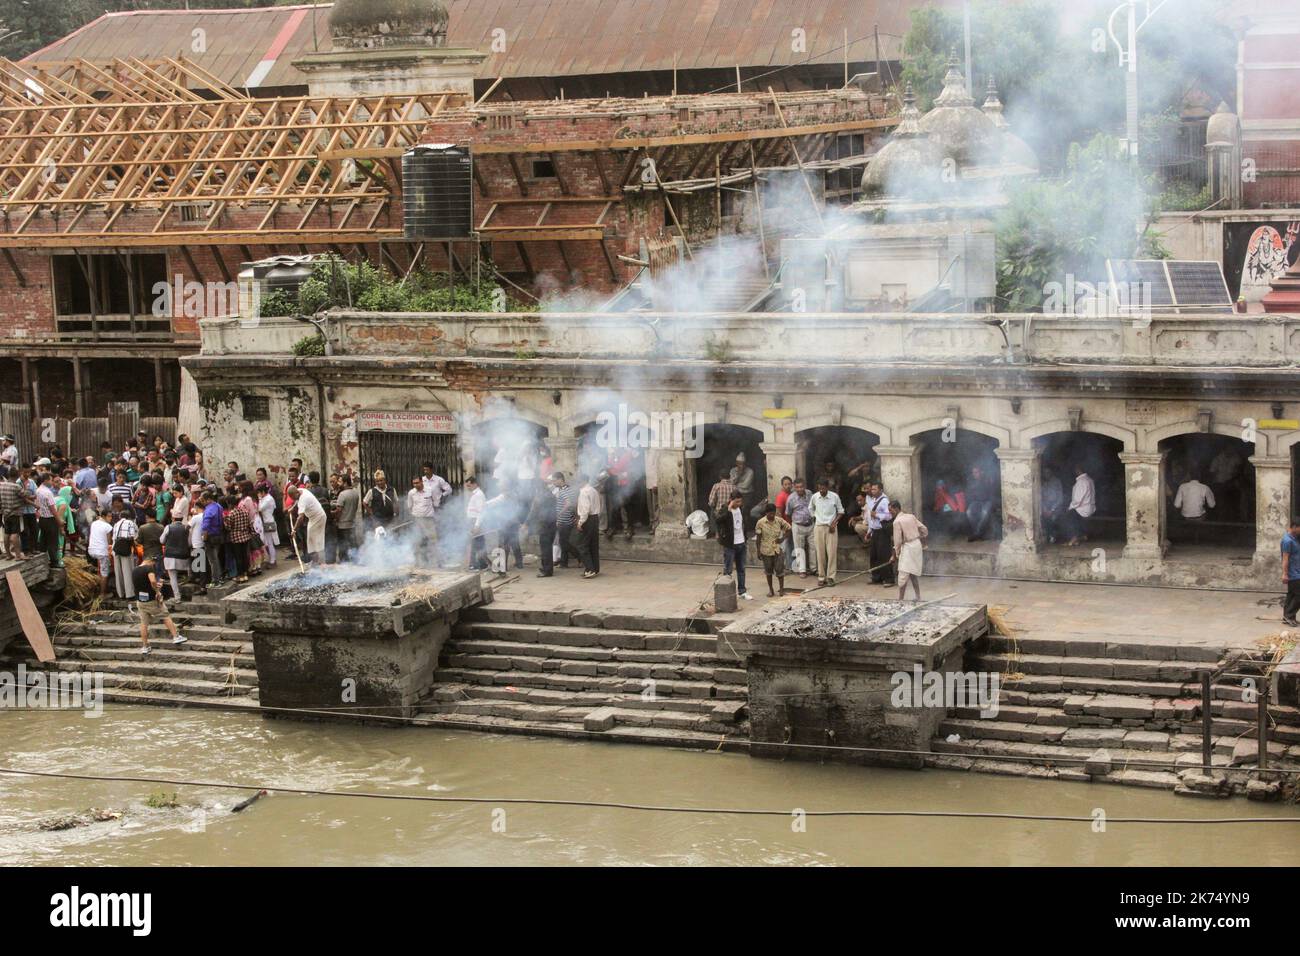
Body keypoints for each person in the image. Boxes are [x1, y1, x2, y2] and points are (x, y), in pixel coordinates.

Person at [132, 558, 188, 655]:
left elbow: (144, 583)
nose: (153, 567)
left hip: (140, 601)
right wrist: (157, 592)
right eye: (153, 564)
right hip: (151, 600)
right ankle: (176, 636)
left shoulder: (135, 570)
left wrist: (153, 585)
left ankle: (145, 646)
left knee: (144, 623)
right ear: (150, 561)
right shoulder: (149, 568)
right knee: (165, 615)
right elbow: (152, 581)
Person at [890, 501, 929, 601]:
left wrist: (895, 555)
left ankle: (900, 599)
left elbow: (897, 542)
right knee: (912, 573)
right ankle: (918, 596)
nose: (890, 513)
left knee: (903, 573)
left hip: (907, 547)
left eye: (891, 510)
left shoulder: (896, 522)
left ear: (896, 508)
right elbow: (924, 529)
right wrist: (921, 539)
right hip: (917, 545)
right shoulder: (911, 516)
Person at [715, 493, 752, 599]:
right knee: (728, 569)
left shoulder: (742, 509)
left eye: (740, 501)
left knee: (741, 569)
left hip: (741, 542)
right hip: (730, 544)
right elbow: (718, 520)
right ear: (731, 500)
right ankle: (726, 593)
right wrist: (729, 509)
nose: (739, 503)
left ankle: (742, 591)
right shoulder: (725, 509)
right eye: (737, 501)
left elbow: (744, 523)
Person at [809, 477, 843, 586]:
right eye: (820, 488)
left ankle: (831, 577)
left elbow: (841, 511)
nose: (822, 490)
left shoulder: (834, 497)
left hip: (831, 528)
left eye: (823, 488)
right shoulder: (815, 497)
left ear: (827, 487)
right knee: (820, 553)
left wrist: (834, 523)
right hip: (818, 527)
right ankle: (821, 577)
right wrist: (815, 517)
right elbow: (810, 508)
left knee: (832, 553)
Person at [755, 503, 790, 597]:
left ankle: (781, 589)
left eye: (773, 513)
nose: (771, 515)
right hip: (765, 549)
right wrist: (758, 551)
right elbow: (758, 538)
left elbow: (789, 528)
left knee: (780, 571)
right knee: (768, 571)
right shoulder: (760, 522)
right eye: (769, 514)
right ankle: (771, 590)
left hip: (777, 549)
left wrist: (782, 538)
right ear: (766, 513)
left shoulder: (779, 521)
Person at [287, 484, 327, 565]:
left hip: (318, 517)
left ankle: (322, 562)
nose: (294, 499)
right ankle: (315, 561)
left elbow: (300, 517)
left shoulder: (303, 499)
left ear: (296, 493)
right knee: (310, 539)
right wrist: (293, 508)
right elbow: (296, 500)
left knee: (317, 540)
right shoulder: (300, 490)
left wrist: (294, 530)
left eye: (293, 497)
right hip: (312, 518)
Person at [864, 481, 894, 586]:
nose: (872, 491)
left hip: (882, 532)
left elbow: (889, 515)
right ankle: (876, 577)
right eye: (872, 489)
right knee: (874, 555)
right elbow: (870, 518)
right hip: (874, 531)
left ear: (881, 490)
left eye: (874, 489)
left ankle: (889, 579)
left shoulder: (885, 501)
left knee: (884, 555)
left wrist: (876, 514)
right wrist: (869, 531)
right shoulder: (872, 500)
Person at [784, 478, 815, 577]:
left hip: (811, 524)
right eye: (797, 487)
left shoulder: (810, 494)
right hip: (798, 525)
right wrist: (792, 525)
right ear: (794, 487)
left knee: (813, 547)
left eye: (801, 487)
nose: (799, 489)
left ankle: (814, 569)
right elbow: (788, 514)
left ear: (805, 486)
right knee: (799, 548)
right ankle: (802, 570)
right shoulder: (791, 498)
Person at [528, 479, 557, 577]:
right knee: (547, 548)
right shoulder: (551, 495)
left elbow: (533, 512)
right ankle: (546, 567)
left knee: (545, 549)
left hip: (544, 525)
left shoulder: (540, 497)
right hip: (552, 524)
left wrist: (526, 523)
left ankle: (547, 571)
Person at [160, 510, 191, 602]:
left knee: (172, 577)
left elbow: (161, 540)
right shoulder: (186, 528)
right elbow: (189, 543)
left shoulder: (168, 527)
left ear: (173, 518)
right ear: (181, 519)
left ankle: (177, 597)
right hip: (183, 556)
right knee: (189, 572)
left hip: (170, 556)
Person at [574, 473, 601, 579]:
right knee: (593, 544)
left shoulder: (584, 492)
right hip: (594, 518)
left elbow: (585, 509)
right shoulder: (593, 490)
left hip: (588, 519)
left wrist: (580, 522)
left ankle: (590, 569)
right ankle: (595, 568)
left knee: (582, 545)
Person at [109, 504, 139, 600]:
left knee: (118, 572)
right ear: (129, 517)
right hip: (126, 549)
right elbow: (133, 537)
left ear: (120, 516)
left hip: (116, 549)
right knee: (127, 571)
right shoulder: (131, 523)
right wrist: (135, 549)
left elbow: (113, 538)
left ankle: (121, 593)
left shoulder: (116, 524)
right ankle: (129, 594)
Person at [33, 473, 61, 568]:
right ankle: (54, 562)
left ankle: (42, 560)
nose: (51, 482)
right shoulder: (48, 492)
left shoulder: (37, 490)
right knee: (53, 542)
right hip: (50, 519)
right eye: (50, 480)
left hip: (42, 519)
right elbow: (53, 509)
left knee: (44, 540)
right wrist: (59, 520)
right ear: (45, 480)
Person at [1064, 465, 1096, 547]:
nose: (1074, 472)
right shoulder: (1089, 480)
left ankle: (1074, 538)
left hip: (1083, 508)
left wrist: (1070, 507)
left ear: (1078, 470)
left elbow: (1078, 499)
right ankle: (1080, 538)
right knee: (1074, 515)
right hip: (1090, 507)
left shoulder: (1081, 481)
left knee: (1069, 515)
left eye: (1075, 470)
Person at [406, 476, 437, 559]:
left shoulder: (430, 490)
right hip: (417, 520)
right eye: (414, 483)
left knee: (432, 540)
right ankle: (419, 560)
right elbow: (409, 506)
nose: (415, 485)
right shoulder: (411, 493)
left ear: (421, 482)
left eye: (417, 483)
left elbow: (436, 503)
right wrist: (414, 518)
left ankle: (434, 559)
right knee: (418, 540)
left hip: (429, 520)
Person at [552, 472, 577, 569]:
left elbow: (568, 503)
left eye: (554, 480)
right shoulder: (568, 489)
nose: (553, 483)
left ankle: (579, 556)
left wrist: (559, 514)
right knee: (563, 542)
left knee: (564, 542)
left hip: (564, 521)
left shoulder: (563, 491)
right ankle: (564, 563)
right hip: (568, 519)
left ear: (560, 479)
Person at [200, 490, 225, 587]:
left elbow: (205, 526)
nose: (202, 502)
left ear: (208, 499)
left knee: (212, 560)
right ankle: (220, 578)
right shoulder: (218, 506)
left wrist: (204, 538)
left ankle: (216, 580)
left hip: (210, 537)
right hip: (219, 534)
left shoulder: (209, 510)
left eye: (203, 500)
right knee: (216, 558)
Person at [86, 509, 113, 598]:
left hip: (91, 550)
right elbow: (109, 542)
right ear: (104, 516)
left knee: (100, 569)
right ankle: (102, 594)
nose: (111, 518)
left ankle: (98, 589)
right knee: (105, 572)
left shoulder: (94, 523)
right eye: (109, 516)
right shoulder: (107, 526)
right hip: (101, 552)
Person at [965, 465, 997, 541]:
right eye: (973, 473)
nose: (974, 474)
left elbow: (992, 492)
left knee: (984, 513)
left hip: (987, 501)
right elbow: (969, 493)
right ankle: (978, 533)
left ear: (981, 472)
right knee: (969, 512)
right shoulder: (971, 481)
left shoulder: (988, 479)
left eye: (976, 472)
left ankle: (977, 533)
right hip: (976, 502)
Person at [0, 467, 25, 559]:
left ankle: (8, 555)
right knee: (15, 534)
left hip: (5, 513)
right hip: (14, 512)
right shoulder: (16, 486)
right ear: (17, 475)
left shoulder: (2, 485)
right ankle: (18, 555)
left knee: (6, 533)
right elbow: (25, 496)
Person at [463, 476, 487, 570]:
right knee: (478, 543)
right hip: (473, 521)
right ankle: (482, 564)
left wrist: (477, 525)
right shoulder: (475, 494)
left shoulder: (478, 495)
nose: (468, 487)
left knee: (476, 543)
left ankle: (476, 564)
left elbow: (481, 512)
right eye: (467, 486)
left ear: (475, 484)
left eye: (469, 485)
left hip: (476, 522)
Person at [1282, 518, 1300, 627]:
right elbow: (1285, 558)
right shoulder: (1287, 541)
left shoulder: (1295, 538)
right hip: (1293, 573)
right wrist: (1285, 573)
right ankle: (1289, 615)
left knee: (1291, 595)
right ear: (1294, 527)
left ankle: (1287, 616)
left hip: (1297, 571)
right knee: (1298, 595)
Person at [256, 483, 279, 567]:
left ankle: (273, 561)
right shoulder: (267, 498)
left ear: (262, 492)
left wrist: (259, 499)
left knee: (269, 543)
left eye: (259, 492)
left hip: (268, 522)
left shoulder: (268, 499)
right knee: (267, 543)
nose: (258, 494)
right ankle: (271, 559)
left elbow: (259, 509)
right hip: (267, 521)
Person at [774, 475, 794, 570]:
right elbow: (778, 513)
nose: (788, 486)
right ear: (782, 485)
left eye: (789, 484)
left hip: (791, 525)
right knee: (783, 548)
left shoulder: (792, 495)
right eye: (785, 484)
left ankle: (789, 567)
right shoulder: (781, 496)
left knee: (789, 547)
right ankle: (780, 568)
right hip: (784, 526)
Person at [1041, 471, 1065, 544]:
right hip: (1045, 507)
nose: (1046, 474)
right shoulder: (1043, 483)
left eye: (1047, 472)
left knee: (1054, 518)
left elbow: (1060, 498)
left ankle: (1053, 536)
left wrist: (1052, 510)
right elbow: (1040, 497)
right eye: (1044, 472)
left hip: (1055, 506)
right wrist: (1045, 509)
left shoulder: (1057, 482)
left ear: (1051, 472)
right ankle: (1048, 536)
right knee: (1043, 518)